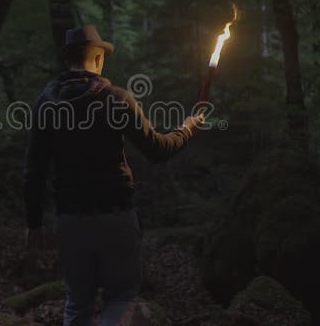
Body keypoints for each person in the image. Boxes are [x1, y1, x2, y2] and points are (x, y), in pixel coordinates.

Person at [23, 25, 205, 326]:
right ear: (98, 58)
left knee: (77, 303)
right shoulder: (117, 99)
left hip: (70, 220)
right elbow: (159, 149)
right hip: (116, 216)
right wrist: (188, 128)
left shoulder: (45, 104)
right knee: (121, 298)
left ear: (68, 58)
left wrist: (34, 223)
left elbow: (34, 170)